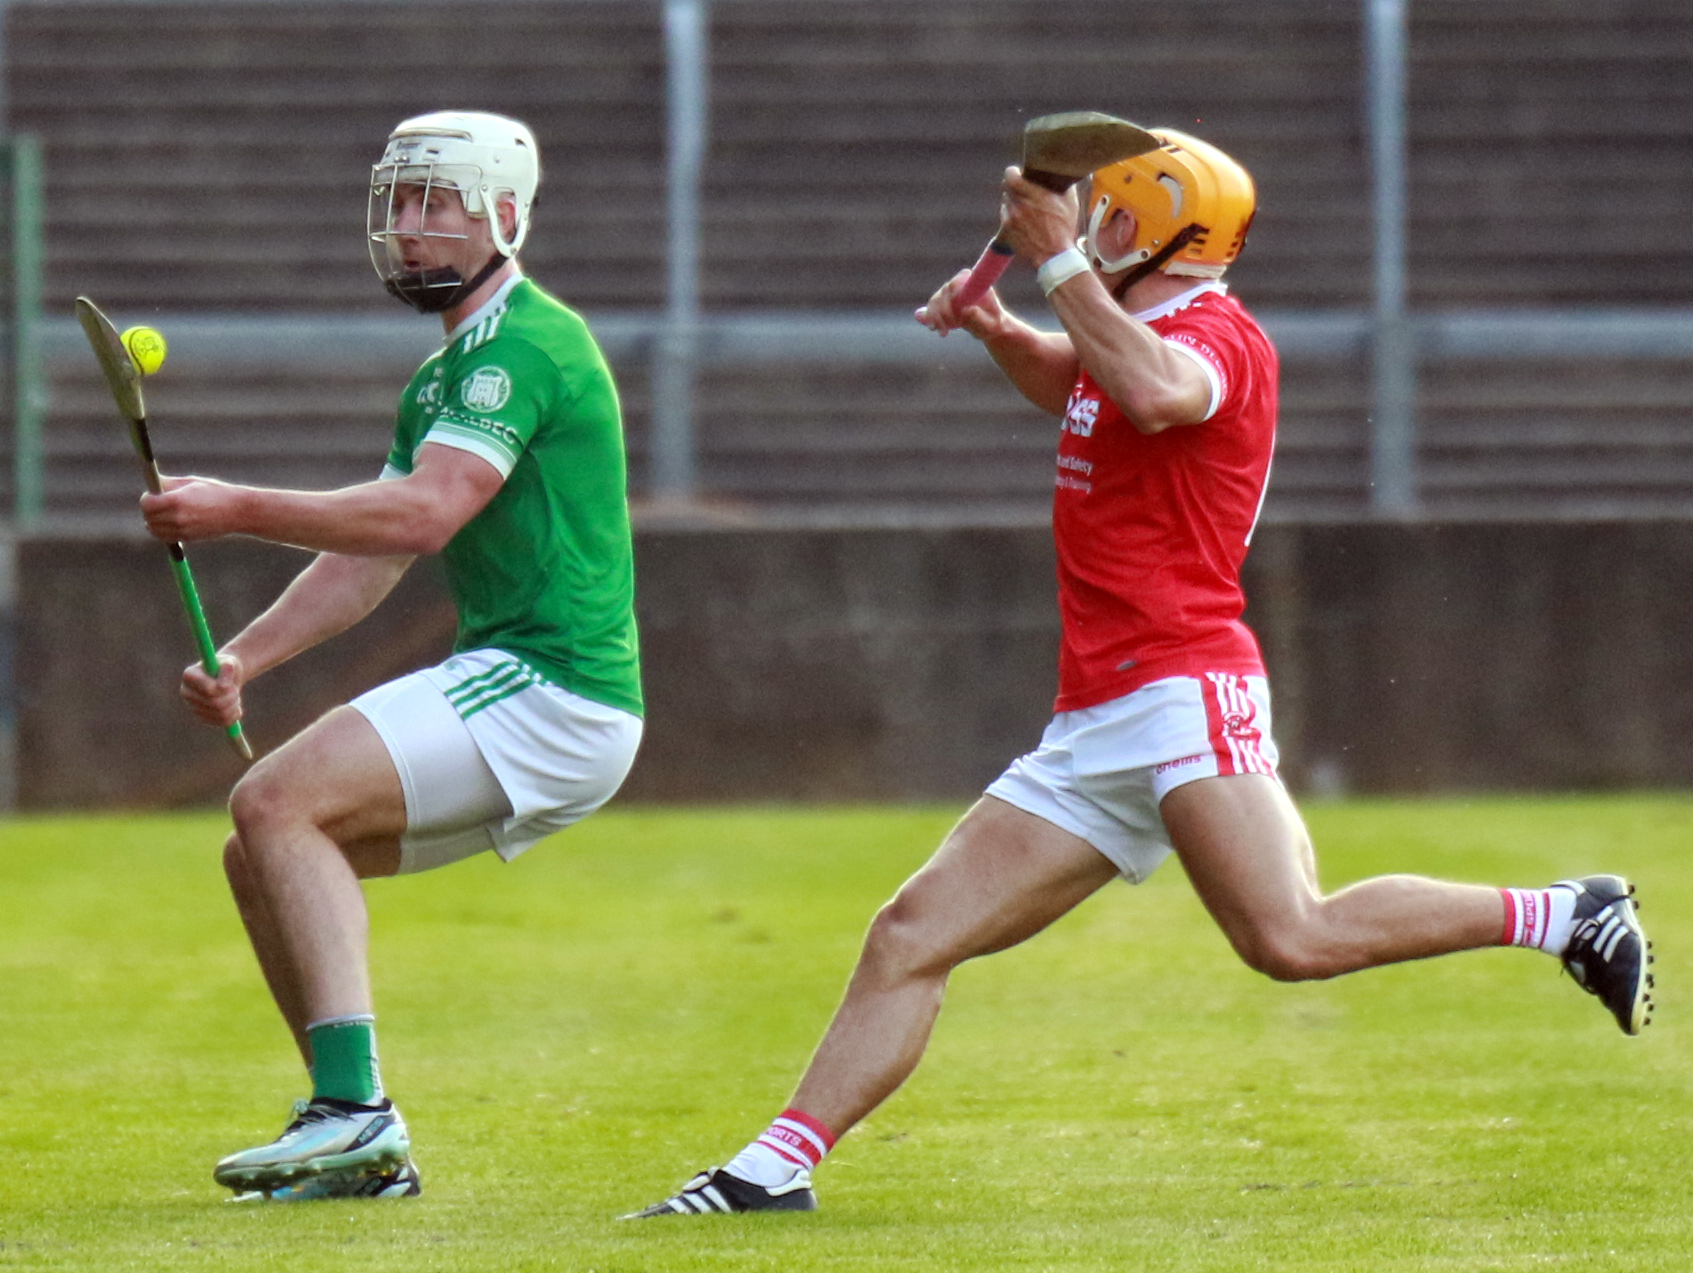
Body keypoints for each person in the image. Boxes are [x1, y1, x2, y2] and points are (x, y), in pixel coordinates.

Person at [628, 126, 1651, 1219]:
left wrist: (1060, 261)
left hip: (1180, 686)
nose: (1098, 229)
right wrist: (993, 321)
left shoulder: (1220, 337)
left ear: (1162, 228)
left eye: (1116, 215)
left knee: (1288, 937)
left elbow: (1157, 393)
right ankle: (771, 1170)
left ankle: (1563, 914)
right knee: (911, 933)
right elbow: (1075, 380)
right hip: (1096, 712)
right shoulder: (1126, 324)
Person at [141, 110, 643, 1202]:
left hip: (552, 685)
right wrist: (244, 657)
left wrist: (233, 507)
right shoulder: (442, 378)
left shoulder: (523, 350)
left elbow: (420, 517)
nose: (412, 229)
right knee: (260, 850)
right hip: (526, 688)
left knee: (274, 801)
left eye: (440, 204)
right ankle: (362, 1142)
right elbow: (362, 565)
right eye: (401, 204)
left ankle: (353, 1111)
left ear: (507, 215)